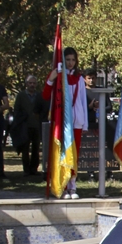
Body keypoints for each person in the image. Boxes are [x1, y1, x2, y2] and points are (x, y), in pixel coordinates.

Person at [44, 46, 89, 198]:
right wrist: (51, 79)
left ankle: (73, 186)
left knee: (74, 154)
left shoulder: (79, 78)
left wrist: (85, 123)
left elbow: (83, 100)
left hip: (77, 121)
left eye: (73, 60)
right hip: (62, 122)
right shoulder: (58, 77)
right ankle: (62, 184)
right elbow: (45, 95)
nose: (70, 63)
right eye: (67, 60)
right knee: (62, 153)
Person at [11, 75, 44, 176]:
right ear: (26, 84)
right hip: (24, 125)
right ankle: (26, 169)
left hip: (36, 125)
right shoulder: (21, 96)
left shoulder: (39, 95)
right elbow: (16, 110)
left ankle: (34, 169)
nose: (32, 85)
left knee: (36, 148)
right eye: (30, 83)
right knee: (25, 148)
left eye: (34, 83)